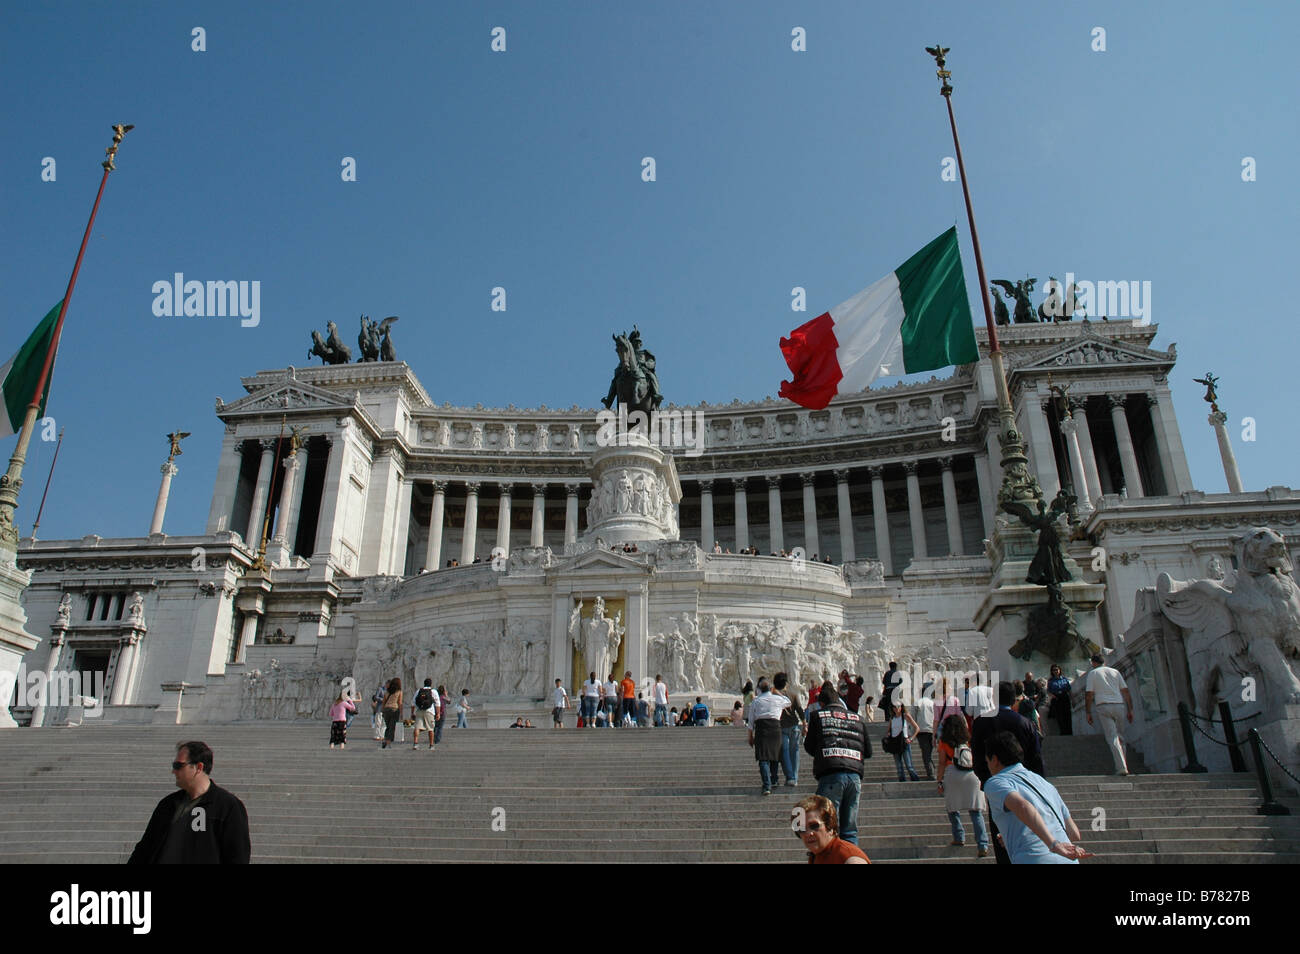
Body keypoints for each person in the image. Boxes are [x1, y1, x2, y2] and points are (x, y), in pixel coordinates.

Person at [128, 741, 251, 864]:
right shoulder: (168, 804)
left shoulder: (227, 806)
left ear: (199, 767)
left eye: (178, 766)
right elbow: (145, 848)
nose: (173, 771)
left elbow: (238, 856)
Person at [983, 731, 1092, 864]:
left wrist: (1054, 845)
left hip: (1033, 858)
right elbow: (1074, 833)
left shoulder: (996, 782)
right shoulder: (1045, 784)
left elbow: (1023, 806)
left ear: (994, 760)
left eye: (987, 761)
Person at [971, 681, 1045, 864]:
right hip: (1025, 785)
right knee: (1028, 829)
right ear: (1014, 700)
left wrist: (985, 780)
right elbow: (1036, 756)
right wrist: (1039, 782)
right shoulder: (1025, 723)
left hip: (995, 786)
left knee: (1000, 832)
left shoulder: (980, 723)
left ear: (993, 698)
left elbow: (977, 756)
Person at [804, 684, 868, 844]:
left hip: (830, 773)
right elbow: (868, 751)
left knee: (827, 826)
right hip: (854, 776)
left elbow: (809, 746)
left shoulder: (818, 716)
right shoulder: (857, 718)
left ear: (822, 704)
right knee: (850, 830)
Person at [935, 714, 989, 857]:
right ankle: (982, 844)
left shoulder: (944, 741)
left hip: (953, 774)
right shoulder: (969, 739)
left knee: (952, 808)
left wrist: (939, 781)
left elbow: (941, 763)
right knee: (976, 811)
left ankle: (959, 836)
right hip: (972, 774)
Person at [1085, 653, 1134, 775]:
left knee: (1112, 737)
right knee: (1120, 737)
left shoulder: (1093, 673)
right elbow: (1126, 691)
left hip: (1103, 705)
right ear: (1104, 661)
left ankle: (1121, 767)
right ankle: (1123, 764)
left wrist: (1088, 712)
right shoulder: (1115, 672)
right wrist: (1130, 709)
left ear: (1093, 663)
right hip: (1119, 705)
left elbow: (1089, 694)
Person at [791, 795, 870, 864]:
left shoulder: (849, 857)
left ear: (830, 825)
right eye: (801, 829)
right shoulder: (817, 855)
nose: (808, 833)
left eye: (814, 826)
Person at [747, 678, 788, 794]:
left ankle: (767, 785)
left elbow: (751, 721)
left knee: (763, 757)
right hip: (775, 727)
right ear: (770, 688)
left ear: (759, 689)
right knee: (774, 755)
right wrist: (776, 692)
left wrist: (750, 736)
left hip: (762, 728)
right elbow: (788, 701)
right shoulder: (777, 699)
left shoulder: (756, 701)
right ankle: (774, 779)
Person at [773, 672, 806, 787]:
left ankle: (790, 777)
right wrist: (805, 724)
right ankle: (794, 778)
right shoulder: (793, 693)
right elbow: (800, 710)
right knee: (795, 752)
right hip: (794, 726)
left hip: (782, 728)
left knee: (785, 752)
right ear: (786, 682)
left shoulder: (774, 696)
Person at [884, 702, 921, 782]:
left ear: (901, 707)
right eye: (894, 707)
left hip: (904, 742)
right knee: (899, 767)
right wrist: (888, 735)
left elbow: (917, 728)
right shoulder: (892, 718)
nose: (896, 709)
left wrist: (911, 739)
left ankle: (915, 780)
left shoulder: (905, 716)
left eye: (898, 707)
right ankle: (902, 781)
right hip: (895, 742)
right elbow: (888, 731)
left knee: (909, 766)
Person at [410, 678, 439, 750]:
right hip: (429, 711)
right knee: (431, 728)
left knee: (417, 727)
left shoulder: (419, 691)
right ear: (431, 684)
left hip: (419, 710)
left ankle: (415, 743)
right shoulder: (433, 691)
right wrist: (438, 713)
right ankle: (431, 745)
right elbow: (437, 703)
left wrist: (412, 713)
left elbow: (413, 703)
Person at [915, 686, 936, 779]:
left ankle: (931, 773)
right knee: (929, 752)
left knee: (925, 753)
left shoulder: (917, 703)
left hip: (921, 731)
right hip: (931, 730)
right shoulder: (932, 703)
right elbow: (936, 718)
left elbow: (913, 718)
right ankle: (932, 770)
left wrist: (912, 732)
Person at [1046, 665, 1072, 736]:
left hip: (1065, 697)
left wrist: (1072, 699)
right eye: (1054, 670)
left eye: (1057, 669)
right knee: (1059, 716)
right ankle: (1063, 731)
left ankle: (1069, 731)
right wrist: (1052, 696)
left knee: (1067, 714)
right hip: (1056, 699)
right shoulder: (1051, 681)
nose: (1056, 671)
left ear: (1060, 670)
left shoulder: (1064, 679)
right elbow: (1048, 691)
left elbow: (1069, 690)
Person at [379, 678, 402, 749]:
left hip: (386, 709)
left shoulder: (387, 692)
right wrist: (401, 713)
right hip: (394, 709)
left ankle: (385, 739)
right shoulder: (399, 692)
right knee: (392, 727)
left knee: (388, 726)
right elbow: (400, 703)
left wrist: (382, 710)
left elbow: (383, 702)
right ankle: (388, 742)